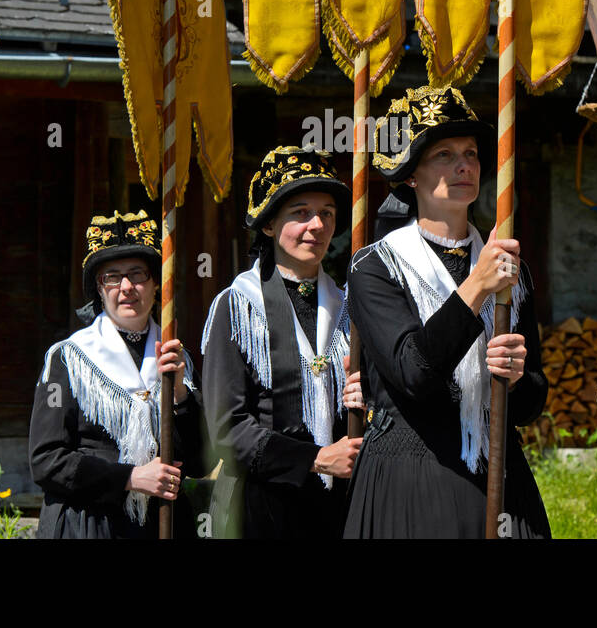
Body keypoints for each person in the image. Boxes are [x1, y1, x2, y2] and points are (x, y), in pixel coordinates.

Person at [343, 85, 550, 538]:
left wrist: (516, 377)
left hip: (500, 478)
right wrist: (477, 285)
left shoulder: (511, 268)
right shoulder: (375, 266)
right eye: (444, 154)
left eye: (472, 153)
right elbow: (414, 374)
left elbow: (532, 401)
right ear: (411, 176)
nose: (464, 165)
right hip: (410, 477)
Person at [200, 146, 363, 538]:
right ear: (269, 225)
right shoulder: (238, 307)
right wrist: (317, 458)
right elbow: (227, 429)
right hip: (260, 506)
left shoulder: (350, 308)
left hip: (340, 505)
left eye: (326, 213)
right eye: (300, 213)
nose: (317, 225)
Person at [29, 209, 205, 538]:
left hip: (162, 524)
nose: (126, 287)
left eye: (138, 274)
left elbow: (198, 462)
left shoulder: (178, 359)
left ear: (157, 285)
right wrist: (131, 477)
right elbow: (47, 460)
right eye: (113, 276)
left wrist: (180, 393)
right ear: (100, 287)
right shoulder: (68, 359)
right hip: (88, 523)